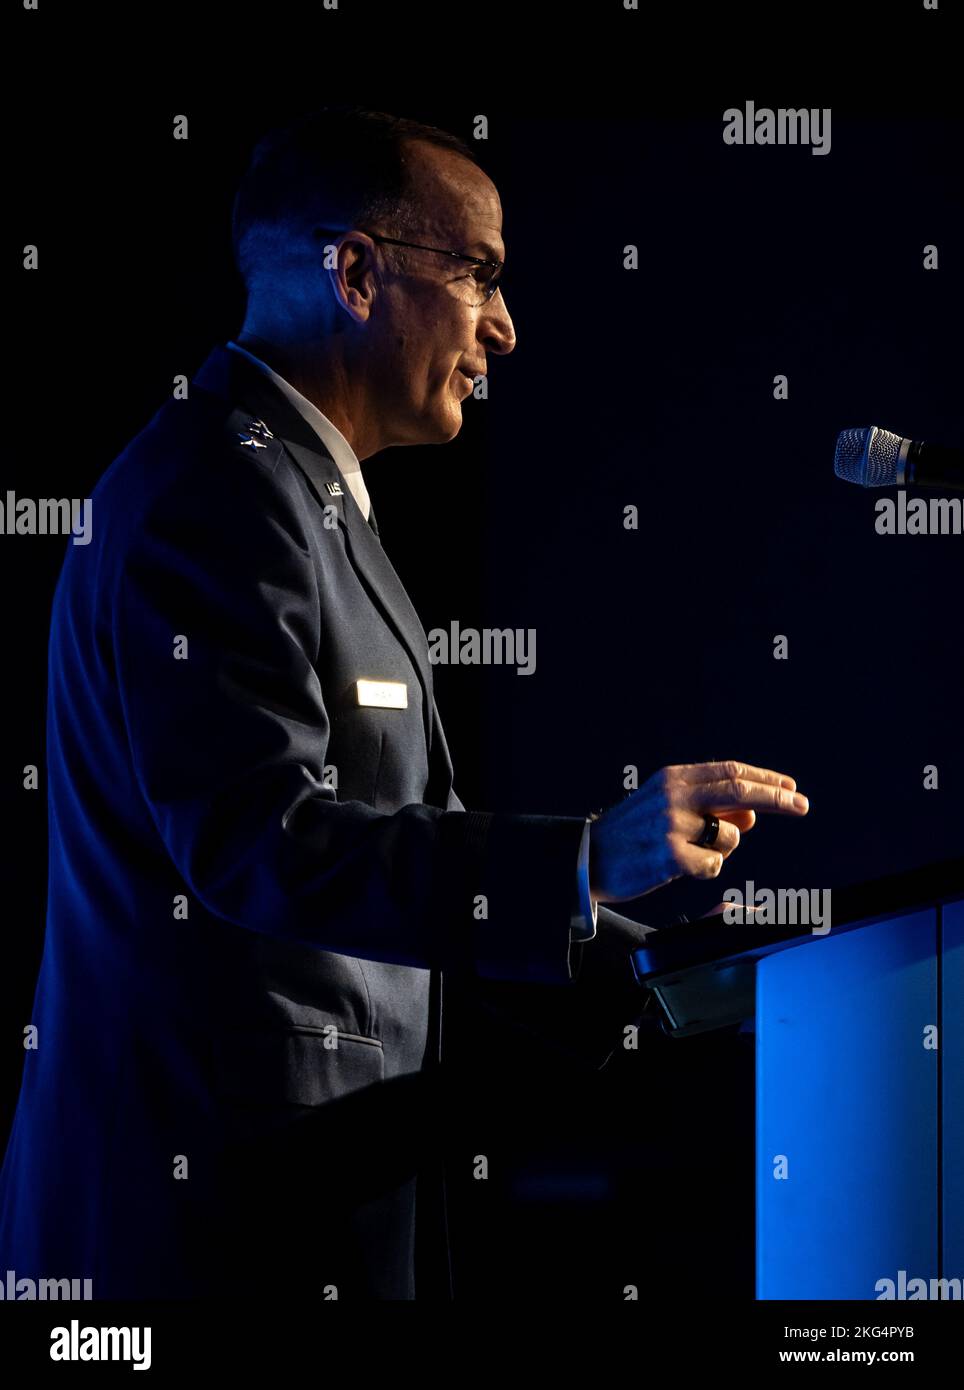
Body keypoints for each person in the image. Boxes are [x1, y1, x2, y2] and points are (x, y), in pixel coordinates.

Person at [0, 107, 808, 1300]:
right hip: (196, 1230)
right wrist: (582, 861)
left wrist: (699, 978)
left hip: (305, 1197)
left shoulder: (300, 490)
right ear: (359, 272)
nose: (505, 326)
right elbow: (257, 841)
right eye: (478, 272)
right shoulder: (215, 494)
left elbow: (402, 852)